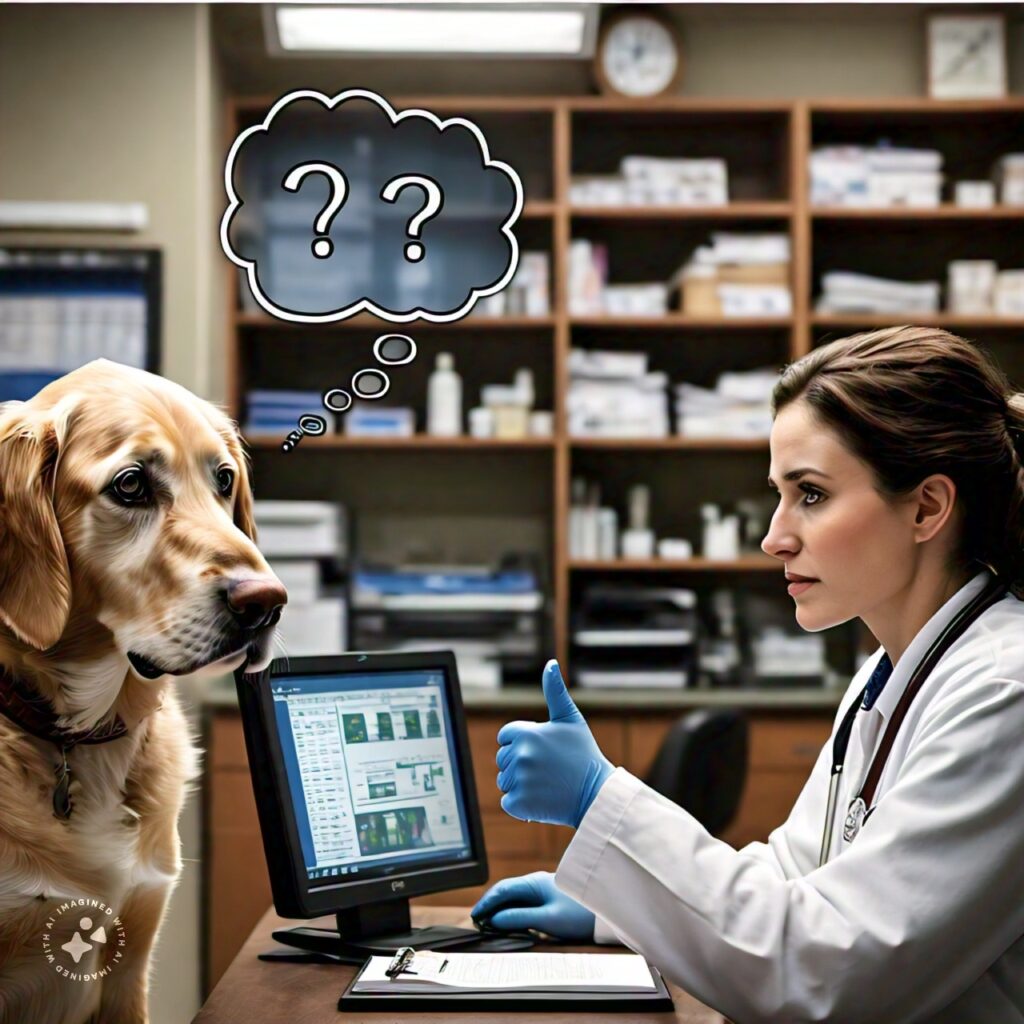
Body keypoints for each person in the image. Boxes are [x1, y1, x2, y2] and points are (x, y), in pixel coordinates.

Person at [472, 326, 1024, 1023]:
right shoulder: (885, 678)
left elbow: (824, 975)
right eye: (779, 494)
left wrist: (598, 796)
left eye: (812, 495)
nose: (775, 536)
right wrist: (612, 907)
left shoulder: (1005, 693)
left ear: (927, 507)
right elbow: (794, 877)